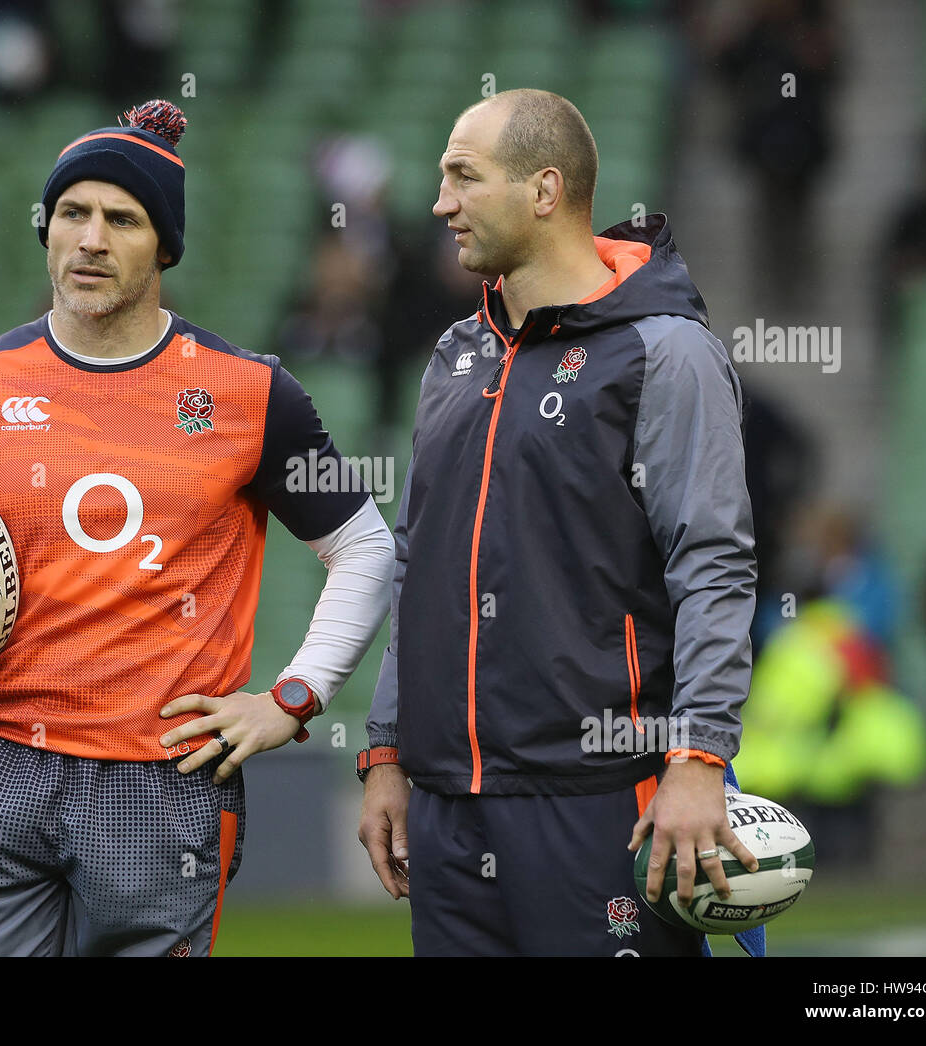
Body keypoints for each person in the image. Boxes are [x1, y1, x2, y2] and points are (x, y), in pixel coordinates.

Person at [0, 100, 394, 956]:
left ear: (163, 246)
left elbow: (365, 548)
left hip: (162, 778)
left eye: (122, 219)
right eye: (72, 213)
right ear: (47, 229)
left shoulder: (251, 395)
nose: (91, 239)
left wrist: (295, 696)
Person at [357, 89, 762, 956]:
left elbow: (714, 568)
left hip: (598, 804)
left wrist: (699, 761)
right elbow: (415, 563)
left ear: (544, 191)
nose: (441, 204)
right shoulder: (454, 353)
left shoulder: (667, 351)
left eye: (463, 177)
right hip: (446, 810)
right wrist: (388, 750)